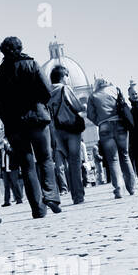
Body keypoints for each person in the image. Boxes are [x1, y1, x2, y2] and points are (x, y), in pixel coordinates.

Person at [0, 36, 61, 218]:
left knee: (27, 165)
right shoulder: (32, 64)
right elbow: (48, 91)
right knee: (45, 159)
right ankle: (51, 196)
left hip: (15, 124)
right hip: (37, 118)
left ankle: (38, 209)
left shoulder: (1, 71)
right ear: (21, 47)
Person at [86, 78, 136, 199]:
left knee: (113, 160)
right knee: (125, 155)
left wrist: (100, 122)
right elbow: (125, 105)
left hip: (104, 127)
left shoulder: (93, 96)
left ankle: (118, 188)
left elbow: (90, 114)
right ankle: (131, 187)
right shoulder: (115, 90)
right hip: (120, 125)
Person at [48, 64, 87, 205]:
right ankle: (77, 196)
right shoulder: (65, 88)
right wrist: (84, 108)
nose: (68, 79)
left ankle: (69, 192)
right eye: (66, 76)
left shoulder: (47, 92)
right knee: (74, 162)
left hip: (57, 131)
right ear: (62, 77)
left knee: (63, 165)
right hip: (71, 129)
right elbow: (77, 106)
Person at [0, 137, 23, 205]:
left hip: (13, 169)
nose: (4, 141)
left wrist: (5, 145)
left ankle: (19, 199)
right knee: (6, 186)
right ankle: (6, 201)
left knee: (15, 184)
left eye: (5, 140)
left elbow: (10, 152)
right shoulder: (1, 149)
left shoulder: (13, 147)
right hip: (5, 170)